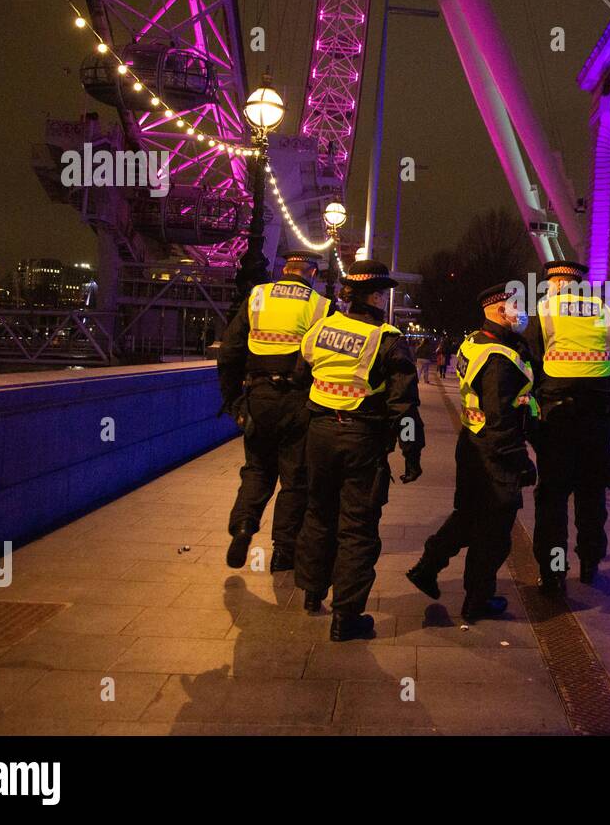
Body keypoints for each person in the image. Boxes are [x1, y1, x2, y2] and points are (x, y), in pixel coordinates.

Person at [293, 260, 424, 641]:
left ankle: (312, 593)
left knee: (317, 514)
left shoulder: (321, 329)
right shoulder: (387, 339)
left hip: (318, 434)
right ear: (377, 296)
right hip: (361, 440)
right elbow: (404, 404)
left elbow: (303, 378)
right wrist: (412, 450)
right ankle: (346, 617)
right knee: (357, 527)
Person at [407, 283, 538, 620]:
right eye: (516, 306)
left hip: (471, 442)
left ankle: (428, 565)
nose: (522, 313)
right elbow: (500, 417)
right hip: (495, 451)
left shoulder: (475, 342)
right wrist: (520, 461)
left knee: (468, 515)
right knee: (495, 532)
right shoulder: (498, 358)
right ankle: (477, 600)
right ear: (498, 310)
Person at [218, 251, 330, 573]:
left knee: (257, 469)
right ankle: (283, 551)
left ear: (284, 270)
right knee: (295, 479)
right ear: (312, 274)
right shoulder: (319, 305)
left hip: (258, 396)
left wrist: (233, 400)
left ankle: (243, 526)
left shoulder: (257, 296)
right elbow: (323, 360)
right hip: (298, 400)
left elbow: (229, 352)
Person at [524, 260, 610, 591]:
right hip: (597, 419)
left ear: (557, 283)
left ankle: (553, 572)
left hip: (558, 420)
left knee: (552, 498)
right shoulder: (603, 310)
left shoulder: (547, 310)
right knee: (591, 494)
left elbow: (532, 361)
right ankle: (590, 561)